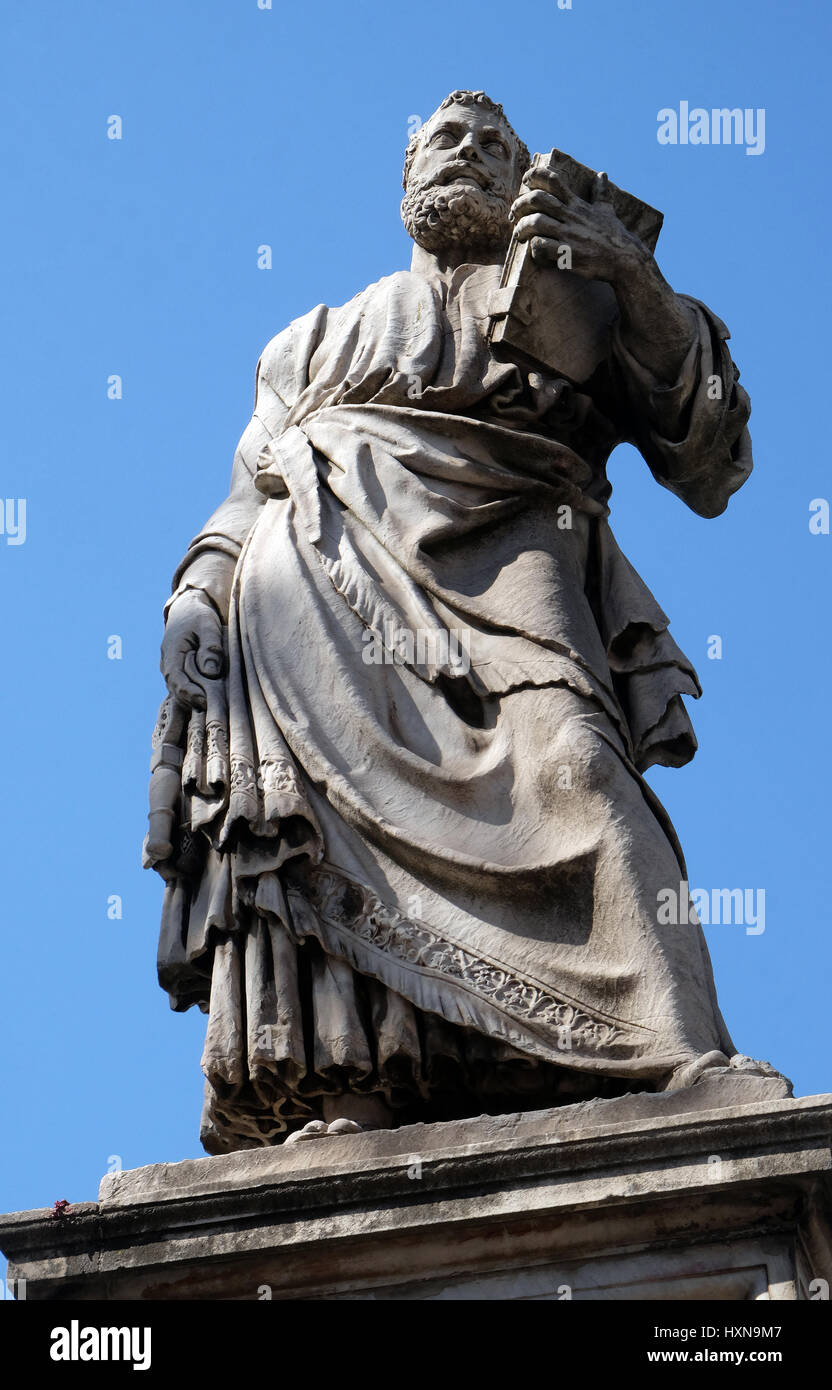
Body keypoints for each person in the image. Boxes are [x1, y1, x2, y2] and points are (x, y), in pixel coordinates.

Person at [147, 90, 777, 1154]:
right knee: (326, 828)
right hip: (311, 588)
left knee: (574, 766)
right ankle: (356, 1092)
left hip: (514, 561)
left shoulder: (578, 289)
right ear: (405, 177)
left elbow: (708, 457)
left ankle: (678, 1053)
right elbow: (247, 484)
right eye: (446, 138)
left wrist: (630, 273)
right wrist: (198, 589)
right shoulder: (312, 335)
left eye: (493, 144)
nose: (469, 154)